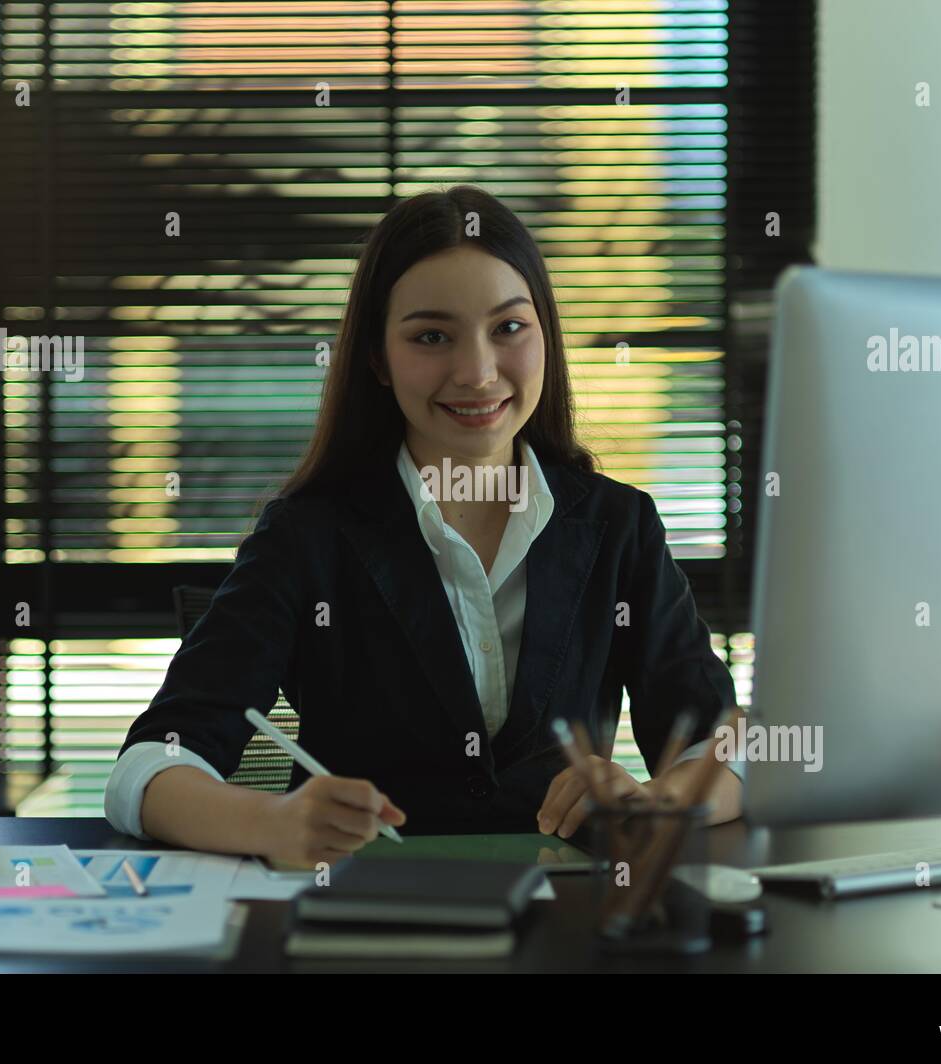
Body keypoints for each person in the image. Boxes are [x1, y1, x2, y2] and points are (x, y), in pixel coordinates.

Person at [104, 185, 744, 866]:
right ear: (378, 359)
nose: (477, 371)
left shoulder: (619, 526)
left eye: (508, 328)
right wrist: (271, 822)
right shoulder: (308, 536)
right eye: (431, 337)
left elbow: (723, 746)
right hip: (362, 916)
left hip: (562, 922)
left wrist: (656, 803)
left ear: (545, 337)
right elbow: (147, 769)